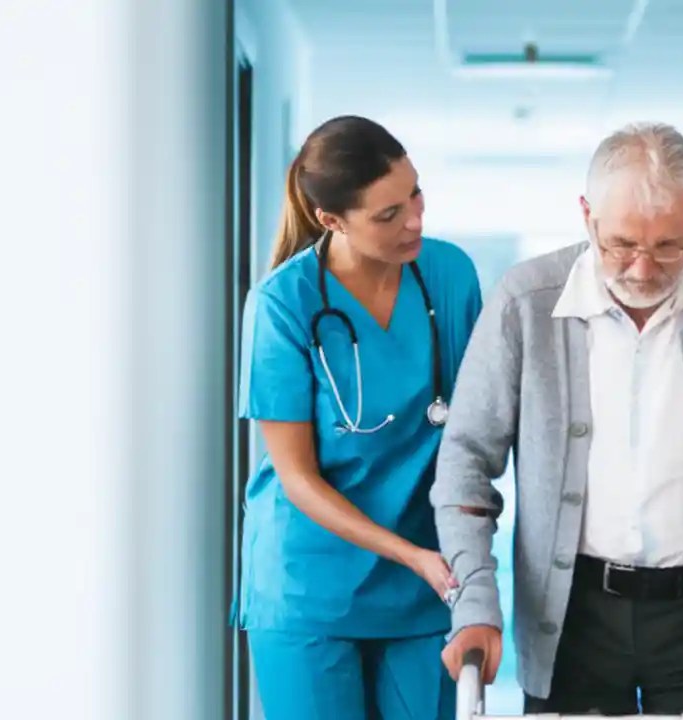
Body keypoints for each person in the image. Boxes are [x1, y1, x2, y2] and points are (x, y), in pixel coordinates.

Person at [431, 122, 683, 715]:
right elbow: (466, 462)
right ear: (587, 216)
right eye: (620, 245)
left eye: (669, 246)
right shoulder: (524, 301)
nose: (642, 270)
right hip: (573, 613)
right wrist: (475, 600)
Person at [234, 115, 483, 719]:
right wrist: (409, 553)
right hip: (309, 587)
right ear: (331, 220)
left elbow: (480, 426)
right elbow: (297, 479)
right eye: (388, 214)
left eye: (415, 194)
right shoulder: (283, 304)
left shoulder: (448, 275)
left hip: (423, 585)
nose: (415, 220)